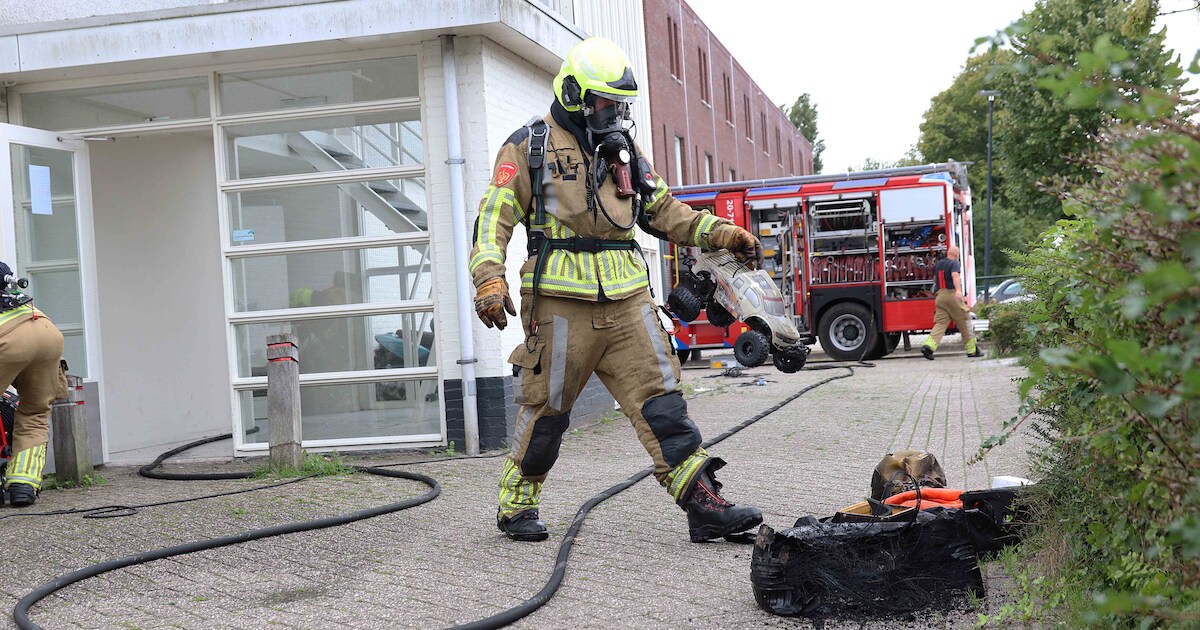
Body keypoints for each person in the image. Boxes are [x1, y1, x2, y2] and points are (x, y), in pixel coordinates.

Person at [470, 37, 765, 543]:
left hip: (629, 304)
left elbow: (666, 211)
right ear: (574, 95)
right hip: (560, 309)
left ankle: (702, 503)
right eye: (605, 102)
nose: (614, 113)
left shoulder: (623, 151)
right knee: (546, 413)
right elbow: (493, 217)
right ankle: (516, 504)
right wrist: (489, 277)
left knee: (663, 403)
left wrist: (722, 232)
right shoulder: (529, 148)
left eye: (619, 103)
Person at [0, 261, 66, 507]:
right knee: (35, 412)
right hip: (43, 328)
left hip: (7, 337)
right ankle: (23, 486)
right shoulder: (9, 288)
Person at [921, 245, 982, 360]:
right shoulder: (954, 263)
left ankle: (928, 347)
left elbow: (935, 279)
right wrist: (958, 291)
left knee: (940, 323)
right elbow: (955, 276)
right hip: (951, 295)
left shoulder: (938, 264)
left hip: (940, 296)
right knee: (964, 321)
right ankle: (972, 350)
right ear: (957, 255)